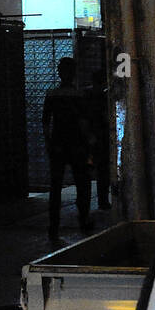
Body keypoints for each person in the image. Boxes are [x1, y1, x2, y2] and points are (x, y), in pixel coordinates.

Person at [42, 56, 92, 241]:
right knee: (82, 184)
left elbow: (46, 123)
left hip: (57, 145)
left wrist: (49, 144)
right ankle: (84, 220)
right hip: (77, 145)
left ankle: (53, 227)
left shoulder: (51, 95)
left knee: (55, 188)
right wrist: (89, 142)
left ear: (59, 73)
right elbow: (83, 122)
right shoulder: (79, 96)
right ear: (74, 73)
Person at [84, 69, 111, 210]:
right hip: (100, 136)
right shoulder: (103, 96)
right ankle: (103, 200)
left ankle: (86, 202)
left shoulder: (87, 95)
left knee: (89, 171)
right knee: (103, 171)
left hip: (90, 136)